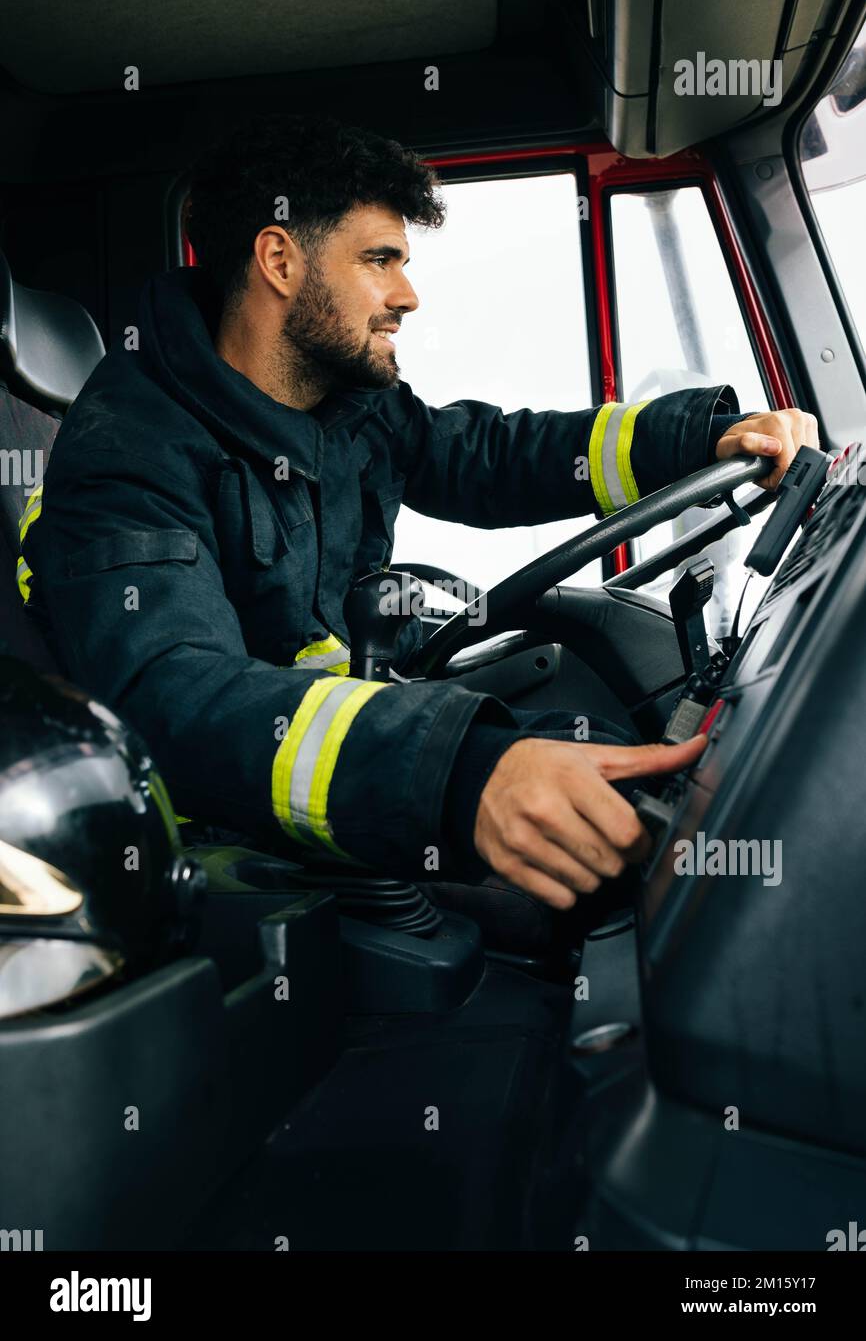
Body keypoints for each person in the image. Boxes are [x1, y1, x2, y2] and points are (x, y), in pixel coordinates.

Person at [19, 114, 819, 917]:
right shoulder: (129, 451)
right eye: (380, 260)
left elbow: (493, 456)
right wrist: (464, 775)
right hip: (227, 843)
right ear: (279, 260)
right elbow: (175, 700)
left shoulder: (350, 406)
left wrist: (698, 440)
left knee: (634, 781)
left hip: (352, 767)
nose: (408, 294)